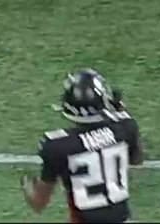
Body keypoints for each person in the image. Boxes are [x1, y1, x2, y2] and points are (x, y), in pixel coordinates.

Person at [22, 70, 143, 224]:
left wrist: (27, 186)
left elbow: (39, 203)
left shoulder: (57, 145)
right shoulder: (126, 127)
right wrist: (120, 110)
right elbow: (137, 159)